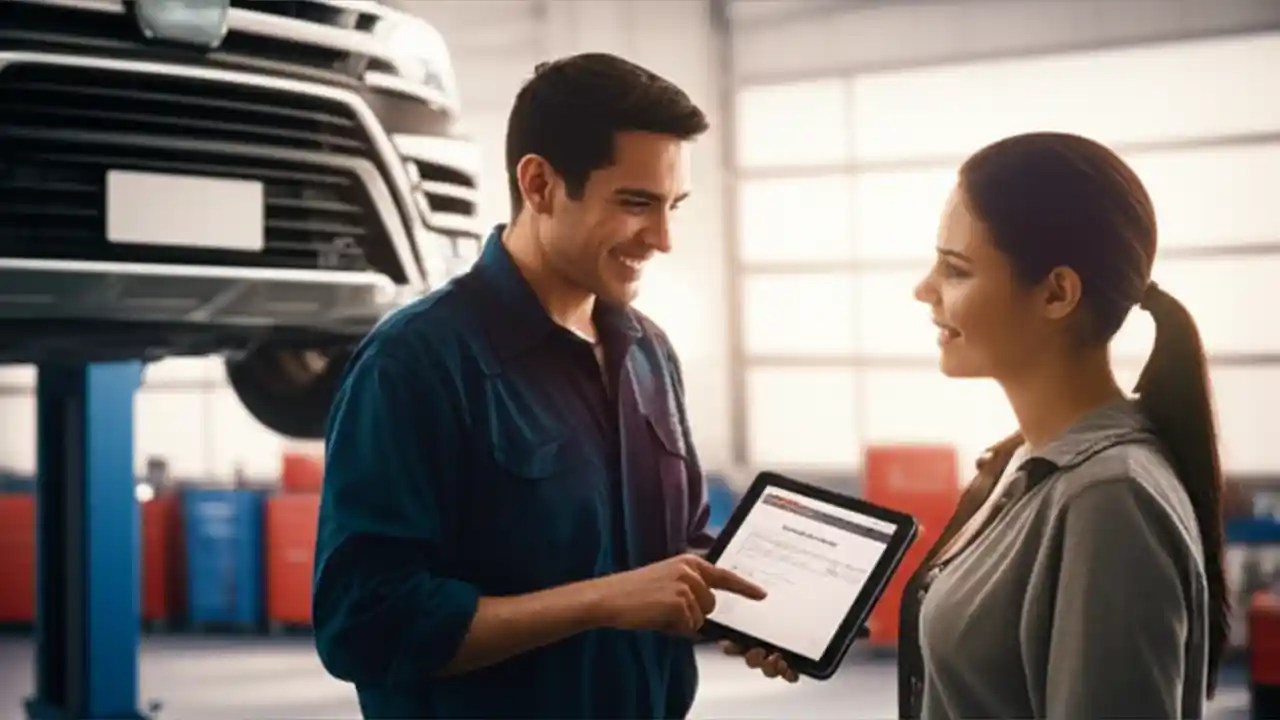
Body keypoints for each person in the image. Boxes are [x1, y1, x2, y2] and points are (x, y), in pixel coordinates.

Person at [311, 52, 786, 720]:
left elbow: (668, 555)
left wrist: (756, 608)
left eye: (673, 205)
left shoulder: (650, 353)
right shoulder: (415, 363)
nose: (664, 238)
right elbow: (363, 623)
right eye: (635, 203)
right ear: (538, 184)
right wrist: (600, 601)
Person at [898, 131, 1227, 719]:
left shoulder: (1110, 499)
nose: (923, 289)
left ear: (1056, 293)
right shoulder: (1029, 461)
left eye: (955, 269)